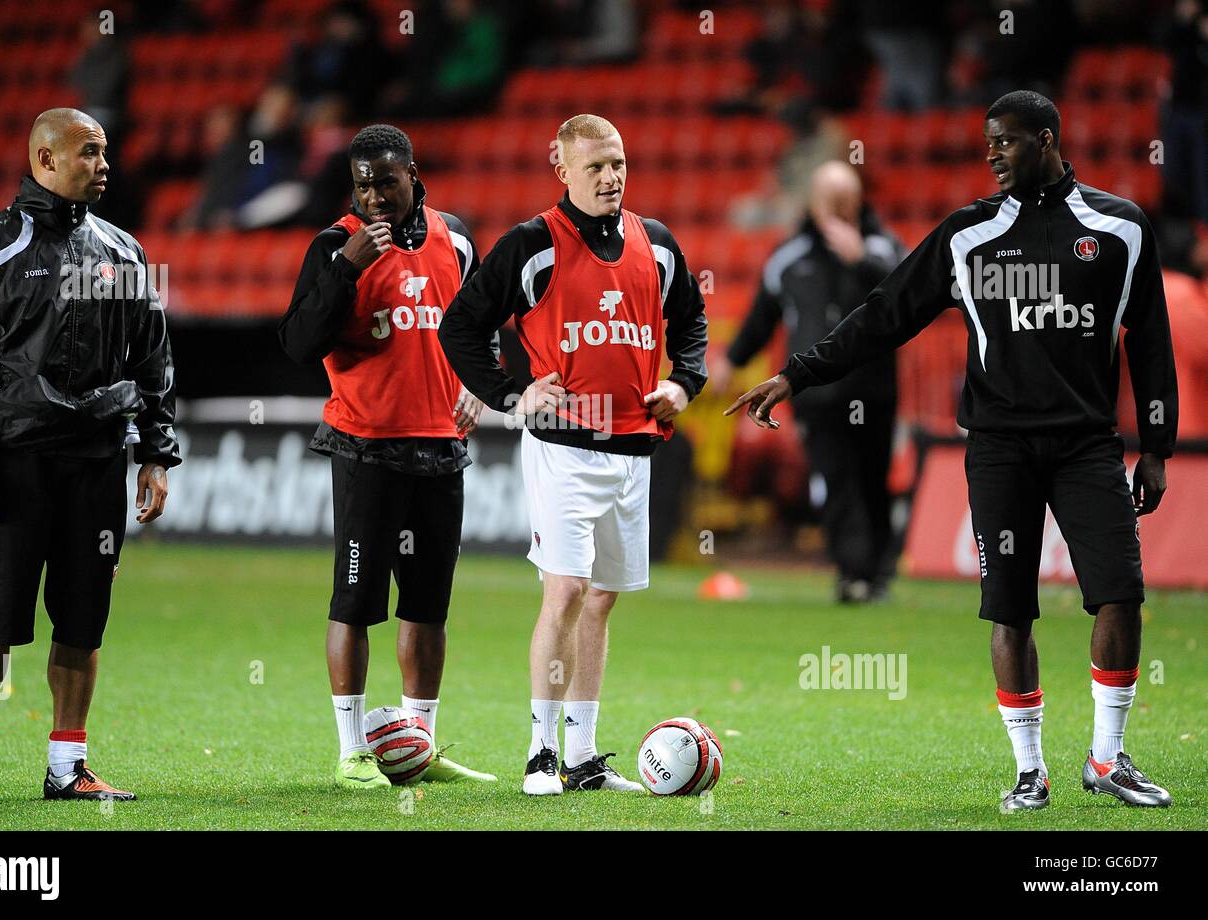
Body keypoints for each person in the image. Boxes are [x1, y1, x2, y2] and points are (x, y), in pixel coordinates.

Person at [727, 91, 1178, 811]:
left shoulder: (1118, 229)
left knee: (1122, 594)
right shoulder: (968, 234)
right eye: (987, 142)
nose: (993, 153)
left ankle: (1108, 757)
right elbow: (884, 315)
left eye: (1006, 141)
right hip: (998, 447)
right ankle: (1030, 768)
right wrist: (796, 372)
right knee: (1009, 609)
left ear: (1048, 139)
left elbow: (1149, 338)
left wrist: (1156, 446)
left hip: (1088, 444)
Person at [439, 114, 708, 795]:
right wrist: (510, 394)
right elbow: (461, 325)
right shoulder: (533, 245)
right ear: (562, 171)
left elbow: (692, 324)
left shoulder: (660, 245)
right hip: (563, 447)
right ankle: (540, 754)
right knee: (564, 592)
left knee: (602, 600)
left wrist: (683, 382)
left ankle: (585, 758)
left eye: (617, 162)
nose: (611, 176)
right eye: (594, 166)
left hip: (634, 449)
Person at [0, 108, 179, 805]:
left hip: (97, 461)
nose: (104, 165)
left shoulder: (124, 253)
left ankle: (67, 766)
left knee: (82, 620)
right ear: (45, 160)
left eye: (105, 152)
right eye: (90, 153)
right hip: (13, 464)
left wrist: (157, 454)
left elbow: (155, 360)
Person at [278, 123, 495, 789]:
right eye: (362, 183)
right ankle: (352, 751)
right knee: (355, 602)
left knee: (427, 608)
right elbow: (297, 341)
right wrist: (347, 266)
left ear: (412, 175)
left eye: (386, 182)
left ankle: (417, 746)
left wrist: (478, 389)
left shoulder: (456, 238)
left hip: (439, 447)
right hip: (366, 448)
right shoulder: (330, 245)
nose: (373, 195)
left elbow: (479, 330)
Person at [714, 161, 904, 602]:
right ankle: (854, 573)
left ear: (858, 200)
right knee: (835, 477)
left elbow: (908, 300)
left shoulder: (883, 247)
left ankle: (878, 570)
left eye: (845, 198)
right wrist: (732, 360)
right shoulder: (790, 256)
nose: (838, 207)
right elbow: (763, 317)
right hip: (815, 392)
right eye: (829, 199)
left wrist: (864, 261)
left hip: (874, 388)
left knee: (874, 477)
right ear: (814, 203)